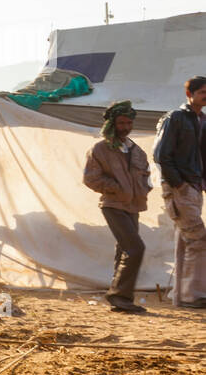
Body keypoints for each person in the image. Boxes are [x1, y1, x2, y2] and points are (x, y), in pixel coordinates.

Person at [83, 101, 152, 313]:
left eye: (129, 122)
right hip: (112, 204)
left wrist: (141, 190)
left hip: (133, 206)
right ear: (113, 123)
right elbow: (91, 178)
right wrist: (117, 189)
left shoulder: (137, 150)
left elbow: (147, 177)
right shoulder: (100, 149)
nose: (126, 126)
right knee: (135, 248)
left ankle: (118, 297)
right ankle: (120, 296)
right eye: (122, 122)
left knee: (124, 250)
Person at [152, 76, 206, 309]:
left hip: (194, 186)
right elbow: (161, 154)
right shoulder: (175, 117)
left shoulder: (201, 120)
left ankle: (182, 296)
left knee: (187, 242)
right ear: (189, 94)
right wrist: (179, 184)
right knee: (198, 240)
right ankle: (192, 295)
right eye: (202, 91)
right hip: (180, 187)